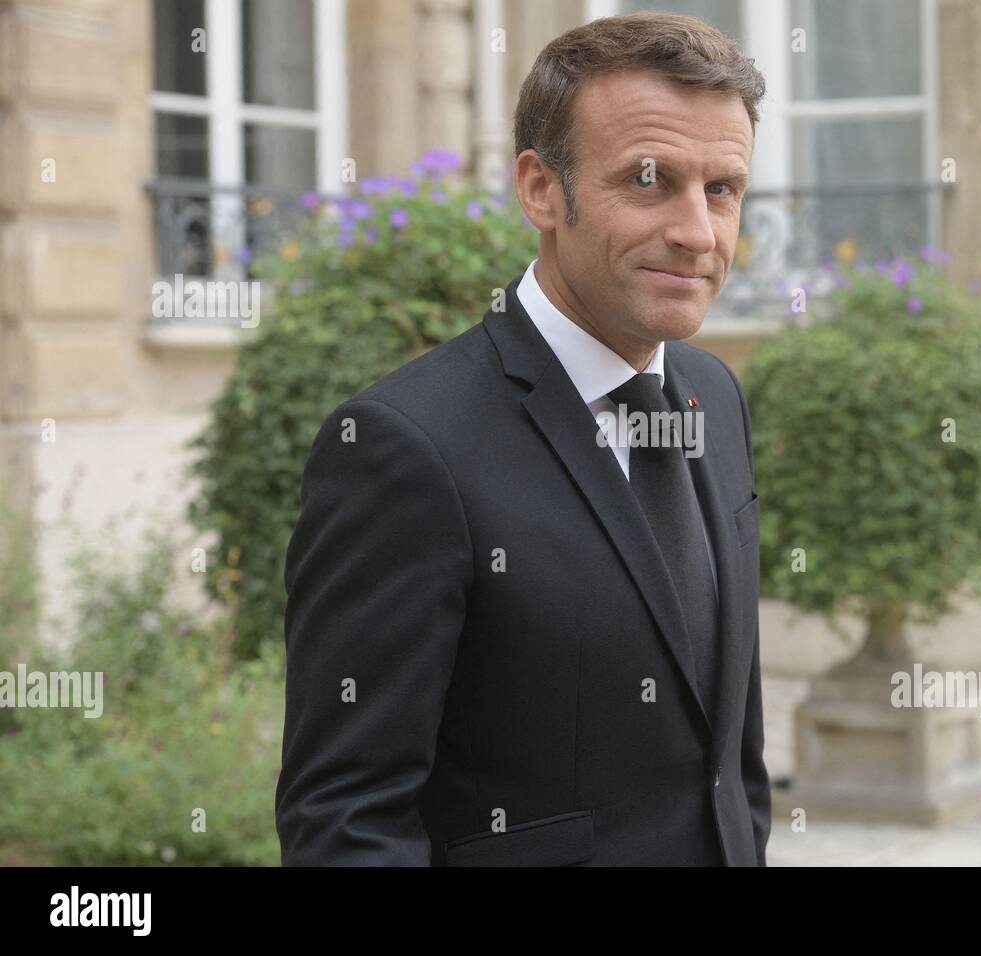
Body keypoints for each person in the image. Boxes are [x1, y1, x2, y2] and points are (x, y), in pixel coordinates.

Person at [275, 11, 771, 866]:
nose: (698, 232)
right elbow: (346, 825)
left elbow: (728, 763)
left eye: (721, 189)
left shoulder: (714, 398)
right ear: (542, 190)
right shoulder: (402, 448)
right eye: (650, 181)